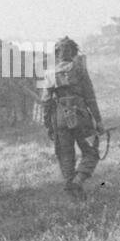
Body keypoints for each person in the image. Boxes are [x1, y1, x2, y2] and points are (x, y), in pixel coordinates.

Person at [40, 36, 104, 198]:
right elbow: (90, 97)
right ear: (74, 52)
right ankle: (77, 182)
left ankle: (72, 190)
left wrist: (48, 126)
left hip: (60, 120)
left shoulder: (49, 74)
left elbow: (46, 103)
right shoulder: (80, 69)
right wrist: (99, 121)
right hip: (82, 118)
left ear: (56, 54)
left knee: (65, 156)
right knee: (91, 152)